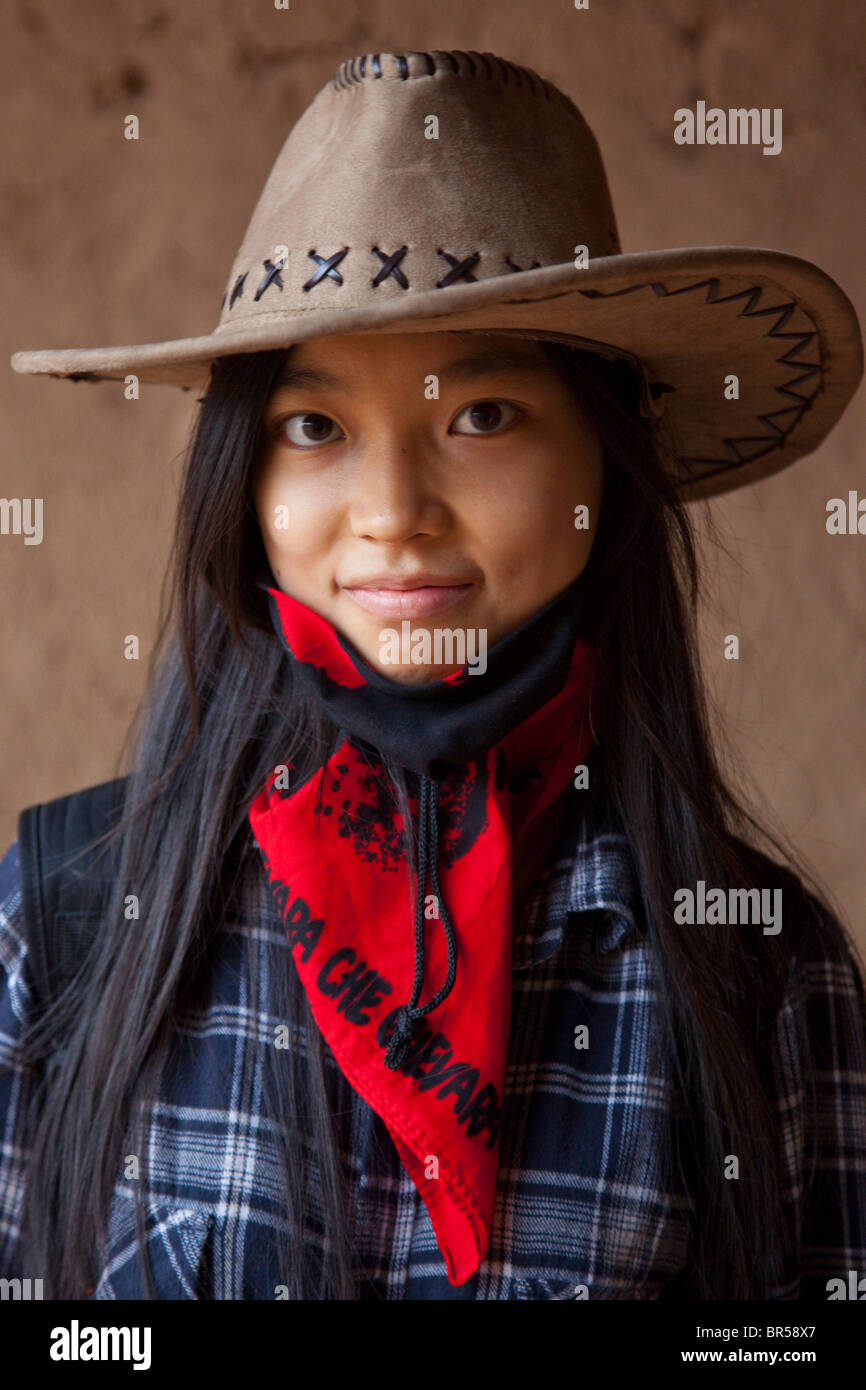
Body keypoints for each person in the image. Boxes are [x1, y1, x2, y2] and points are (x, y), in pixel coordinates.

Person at [1, 48, 865, 1301]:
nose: (392, 510)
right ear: (243, 483)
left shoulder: (759, 979)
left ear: (603, 461)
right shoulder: (67, 923)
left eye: (482, 416)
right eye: (314, 428)